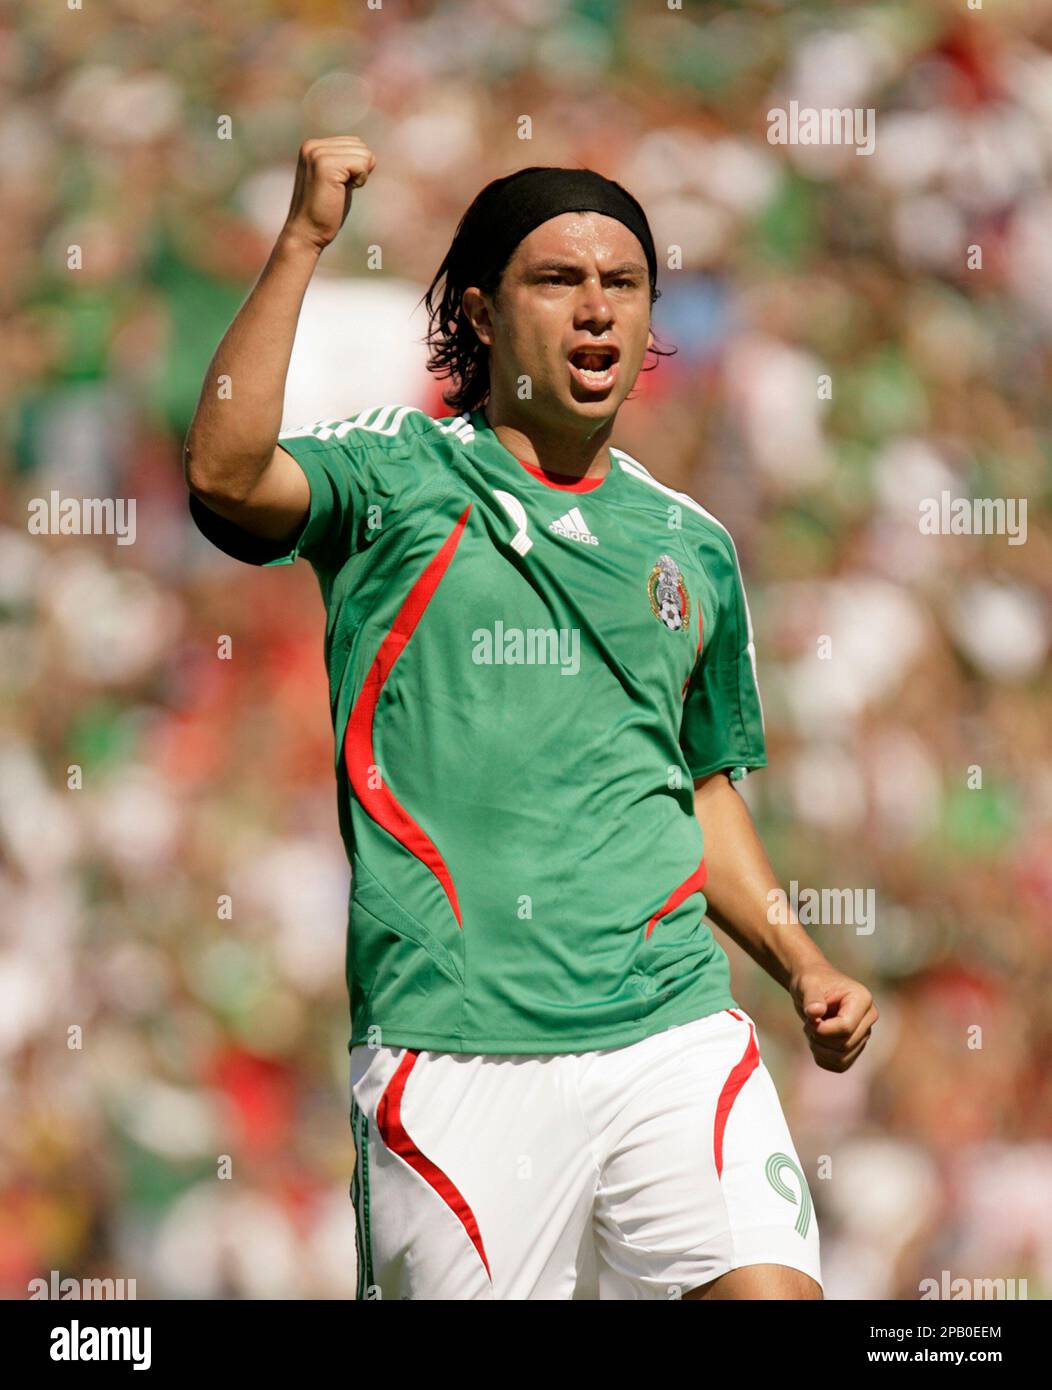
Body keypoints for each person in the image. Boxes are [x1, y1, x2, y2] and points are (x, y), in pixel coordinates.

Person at [184, 137, 878, 1301]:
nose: (596, 307)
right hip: (458, 1054)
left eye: (624, 281)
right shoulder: (395, 478)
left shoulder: (688, 544)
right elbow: (224, 473)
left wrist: (800, 962)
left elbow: (696, 787)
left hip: (668, 1025)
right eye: (557, 280)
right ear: (482, 315)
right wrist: (306, 236)